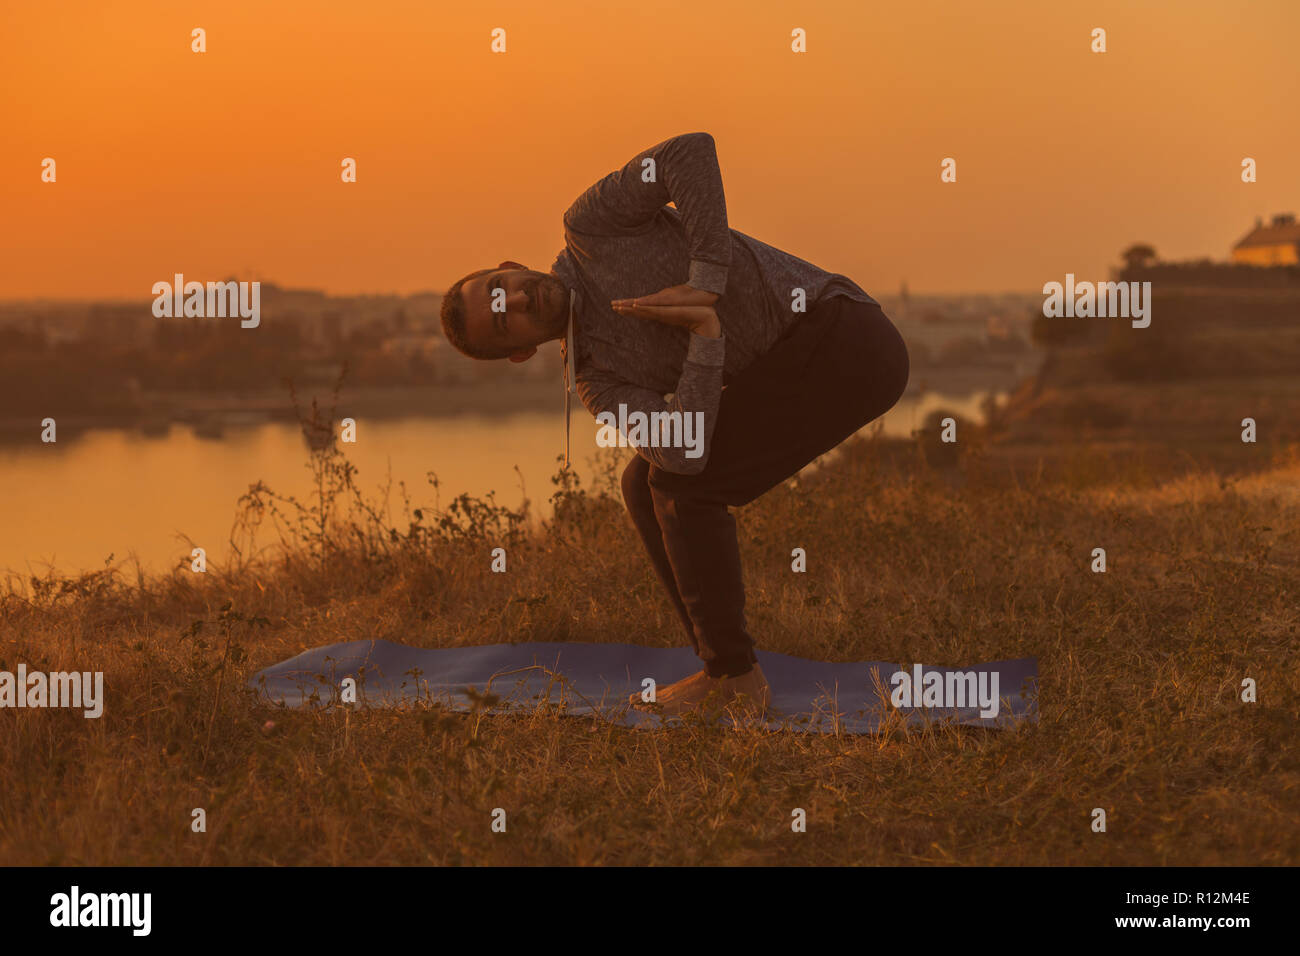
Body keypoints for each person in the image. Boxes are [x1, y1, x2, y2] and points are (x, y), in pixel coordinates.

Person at [439, 132, 909, 718]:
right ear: (521, 353)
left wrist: (707, 278)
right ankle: (722, 665)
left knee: (681, 492)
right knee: (644, 481)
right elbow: (684, 451)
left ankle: (735, 679)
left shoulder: (591, 226)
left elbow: (690, 152)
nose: (517, 300)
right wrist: (704, 340)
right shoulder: (596, 379)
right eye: (504, 322)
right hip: (801, 367)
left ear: (508, 266)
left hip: (848, 338)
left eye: (498, 289)